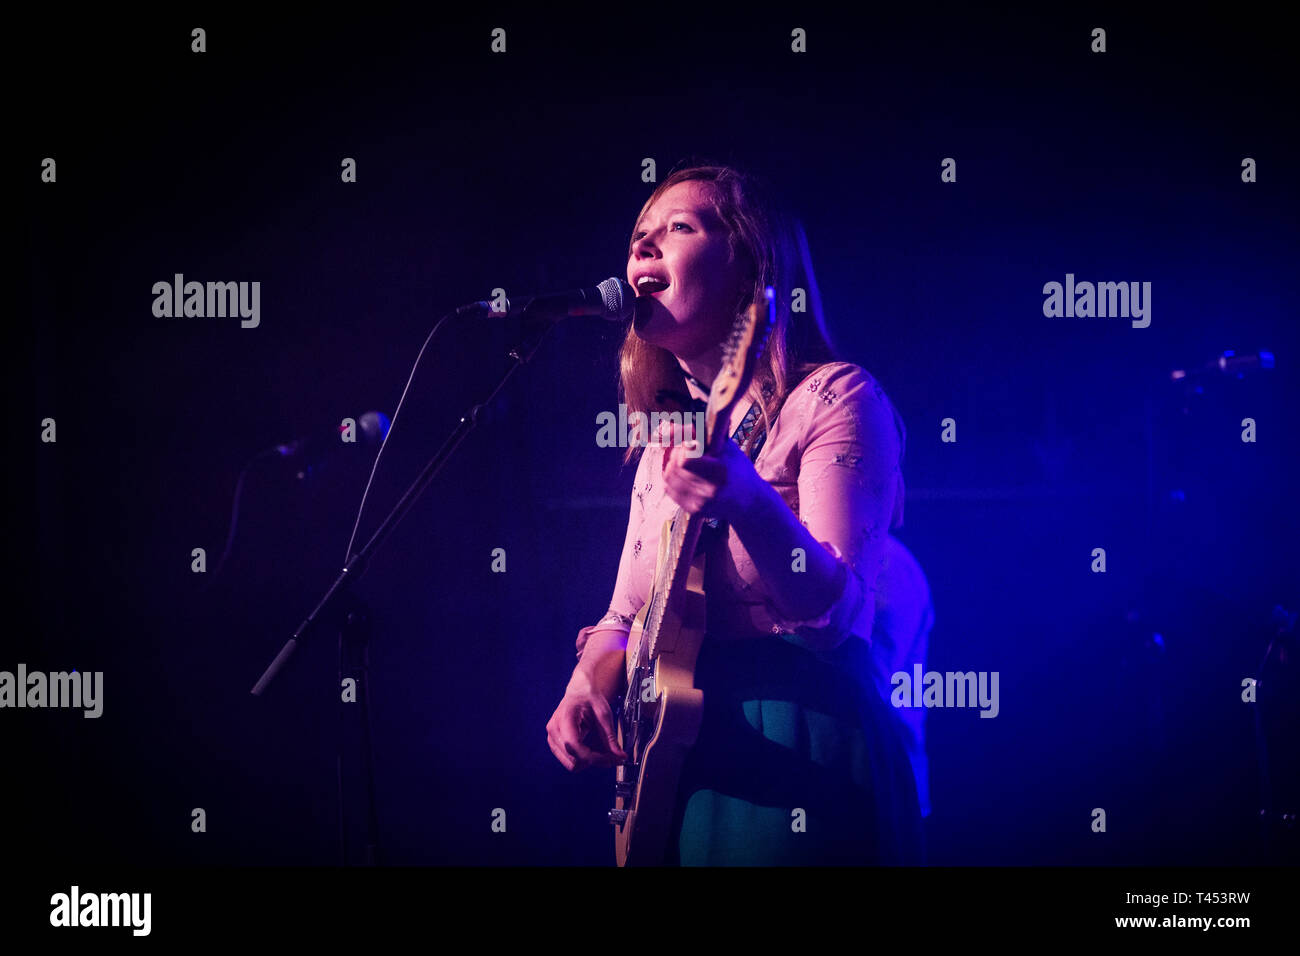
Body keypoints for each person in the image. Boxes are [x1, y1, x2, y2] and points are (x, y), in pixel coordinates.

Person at [545, 163, 924, 864]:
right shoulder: (664, 437)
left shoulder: (836, 399)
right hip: (679, 769)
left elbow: (837, 613)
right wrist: (583, 683)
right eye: (638, 239)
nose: (643, 250)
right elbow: (627, 615)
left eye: (678, 229)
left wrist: (749, 501)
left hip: (801, 747)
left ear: (750, 266)